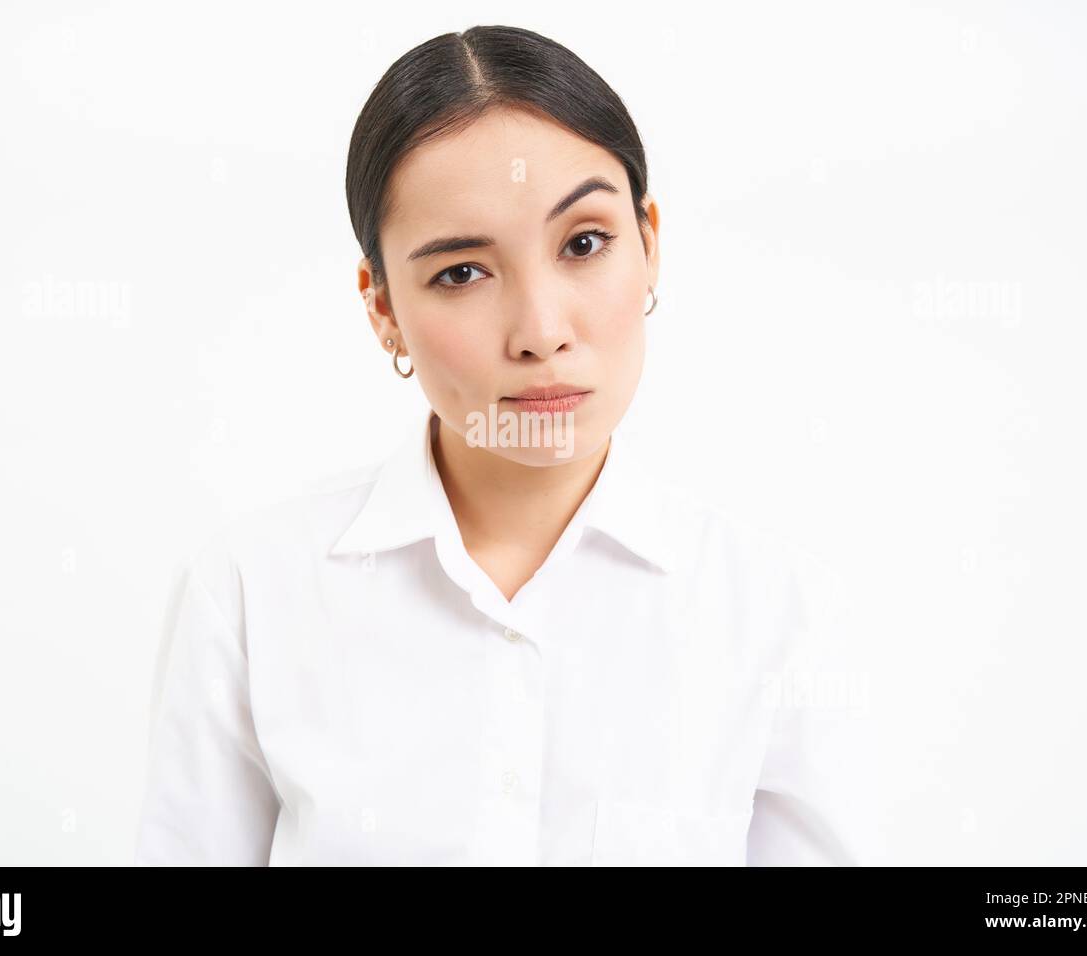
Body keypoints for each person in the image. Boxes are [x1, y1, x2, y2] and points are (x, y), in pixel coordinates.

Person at [134, 24, 870, 866]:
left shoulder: (778, 614)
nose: (541, 332)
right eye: (461, 272)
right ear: (381, 308)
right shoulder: (247, 596)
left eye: (584, 243)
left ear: (650, 243)